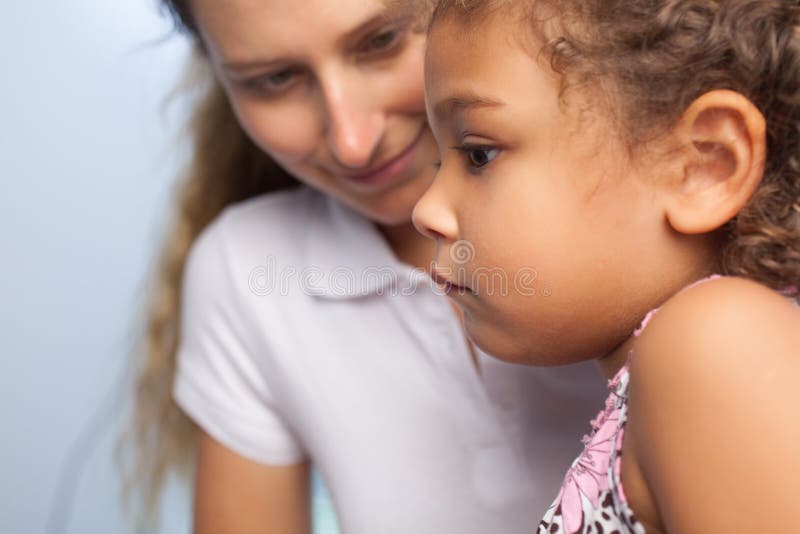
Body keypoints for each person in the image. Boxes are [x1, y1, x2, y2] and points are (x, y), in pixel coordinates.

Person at [119, 1, 607, 533]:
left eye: (382, 40)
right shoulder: (246, 273)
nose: (353, 143)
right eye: (275, 79)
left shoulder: (643, 205)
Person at [414, 0, 800, 532]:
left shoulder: (719, 342)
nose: (426, 210)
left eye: (479, 154)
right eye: (440, 162)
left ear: (702, 165)